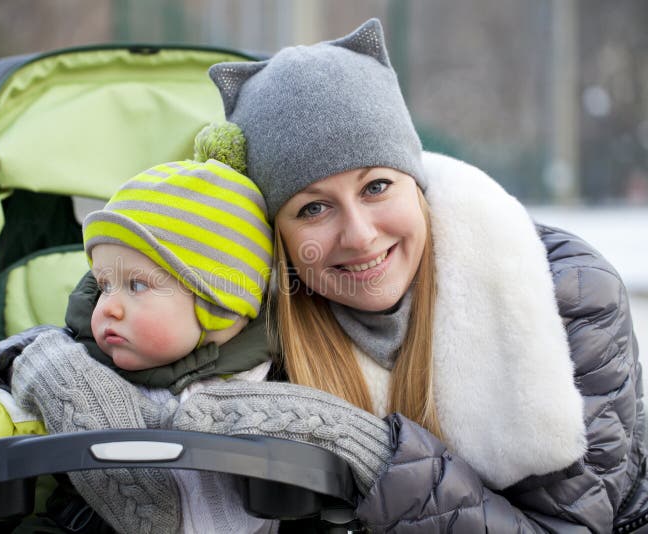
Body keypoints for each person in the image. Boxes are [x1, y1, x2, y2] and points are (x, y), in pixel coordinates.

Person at [167, 17, 643, 532]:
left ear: (415, 183)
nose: (360, 236)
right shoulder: (255, 319)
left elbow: (569, 526)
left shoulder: (568, 293)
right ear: (274, 236)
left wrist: (379, 460)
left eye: (376, 187)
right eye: (312, 209)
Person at [0, 141, 277, 532]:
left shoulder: (277, 388)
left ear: (220, 305)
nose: (107, 306)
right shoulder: (66, 374)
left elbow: (340, 433)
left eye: (137, 286)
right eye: (104, 284)